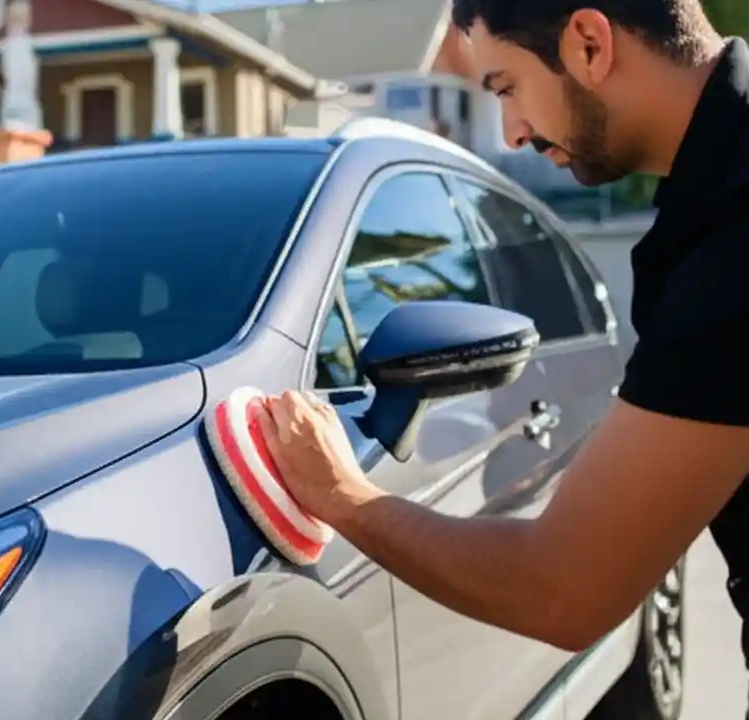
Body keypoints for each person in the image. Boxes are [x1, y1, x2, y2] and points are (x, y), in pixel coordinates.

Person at [253, 0, 749, 678]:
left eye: (506, 89)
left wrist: (343, 494)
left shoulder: (731, 241)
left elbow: (564, 589)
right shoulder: (716, 200)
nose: (512, 134)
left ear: (588, 44)